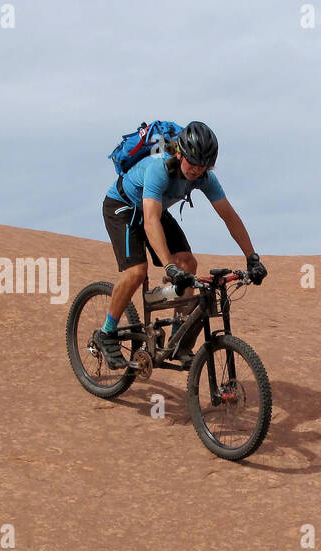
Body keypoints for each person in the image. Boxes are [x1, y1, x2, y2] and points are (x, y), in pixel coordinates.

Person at [96, 121, 266, 368]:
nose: (197, 170)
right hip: (123, 208)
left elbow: (229, 216)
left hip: (153, 209)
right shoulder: (158, 168)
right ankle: (107, 333)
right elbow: (150, 221)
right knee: (136, 272)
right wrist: (168, 267)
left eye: (203, 166)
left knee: (187, 263)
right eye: (193, 163)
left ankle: (177, 341)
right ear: (180, 153)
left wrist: (252, 257)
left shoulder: (206, 178)